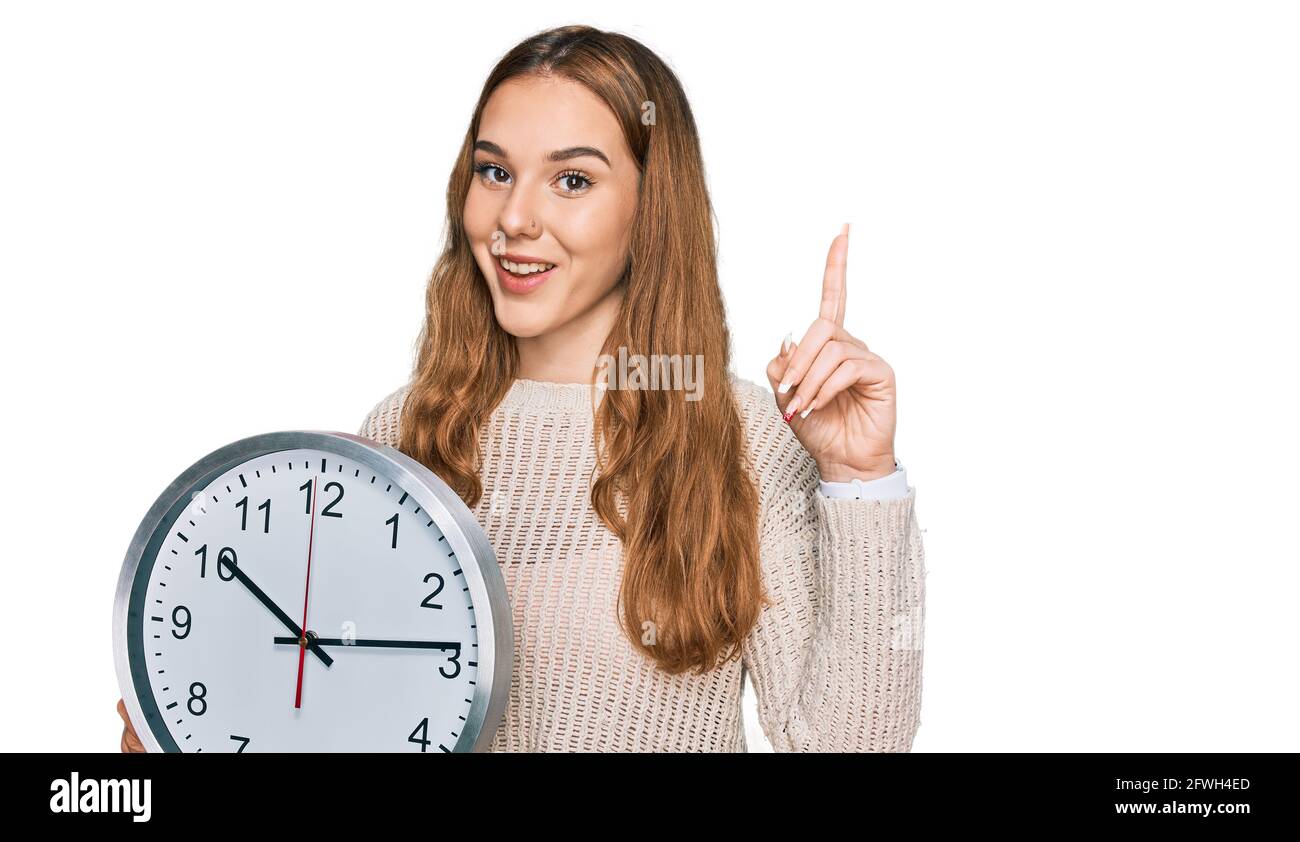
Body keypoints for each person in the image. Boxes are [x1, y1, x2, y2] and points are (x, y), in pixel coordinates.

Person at [120, 23, 926, 752]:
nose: (514, 219)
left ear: (651, 209)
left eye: (571, 181)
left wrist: (860, 482)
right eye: (494, 172)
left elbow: (849, 746)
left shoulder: (738, 432)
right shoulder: (403, 433)